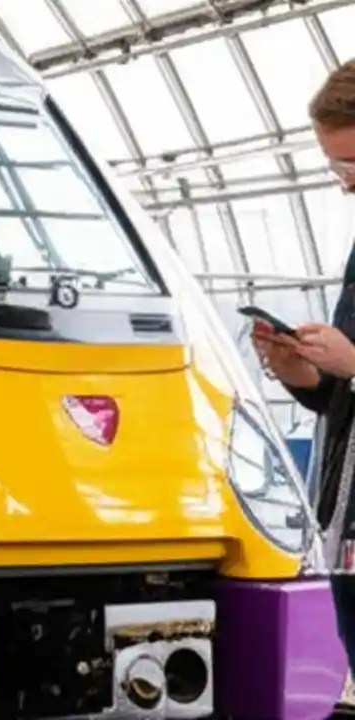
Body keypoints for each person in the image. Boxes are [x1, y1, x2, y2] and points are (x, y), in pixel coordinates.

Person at [253, 58, 355, 673]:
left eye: (354, 164)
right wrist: (304, 372)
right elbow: (344, 389)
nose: (347, 183)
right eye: (338, 167)